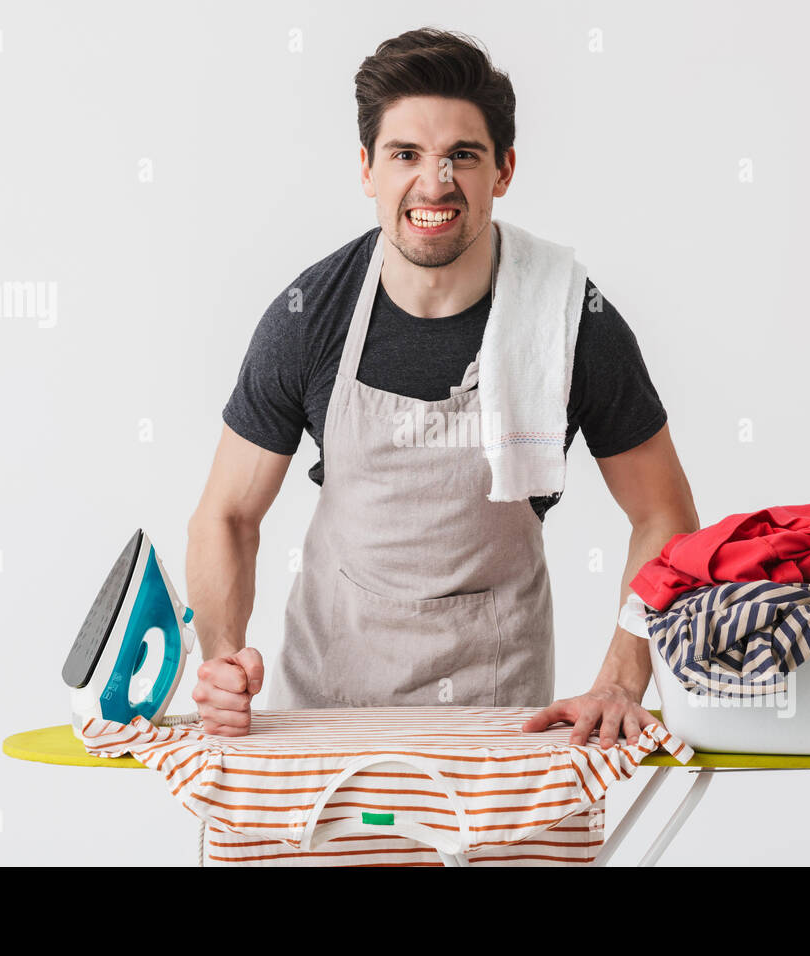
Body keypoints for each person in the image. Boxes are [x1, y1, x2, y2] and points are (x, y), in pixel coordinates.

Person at [185, 27, 699, 749]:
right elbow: (227, 517)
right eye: (406, 155)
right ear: (367, 169)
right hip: (326, 718)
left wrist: (620, 679)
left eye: (463, 155)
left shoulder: (568, 320)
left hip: (498, 723)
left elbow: (666, 516)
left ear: (505, 169)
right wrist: (220, 658)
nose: (436, 183)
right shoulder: (308, 317)